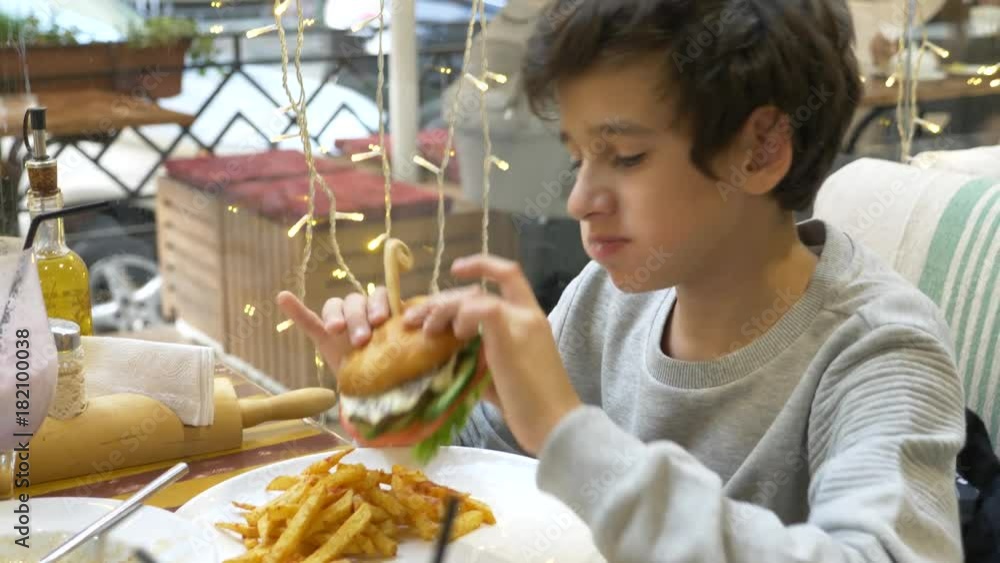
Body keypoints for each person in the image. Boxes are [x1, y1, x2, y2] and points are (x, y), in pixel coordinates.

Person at [278, 0, 966, 561]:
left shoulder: (881, 348)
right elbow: (484, 470)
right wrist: (396, 400)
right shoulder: (607, 299)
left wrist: (565, 430)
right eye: (579, 158)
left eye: (626, 156)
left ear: (760, 149)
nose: (580, 199)